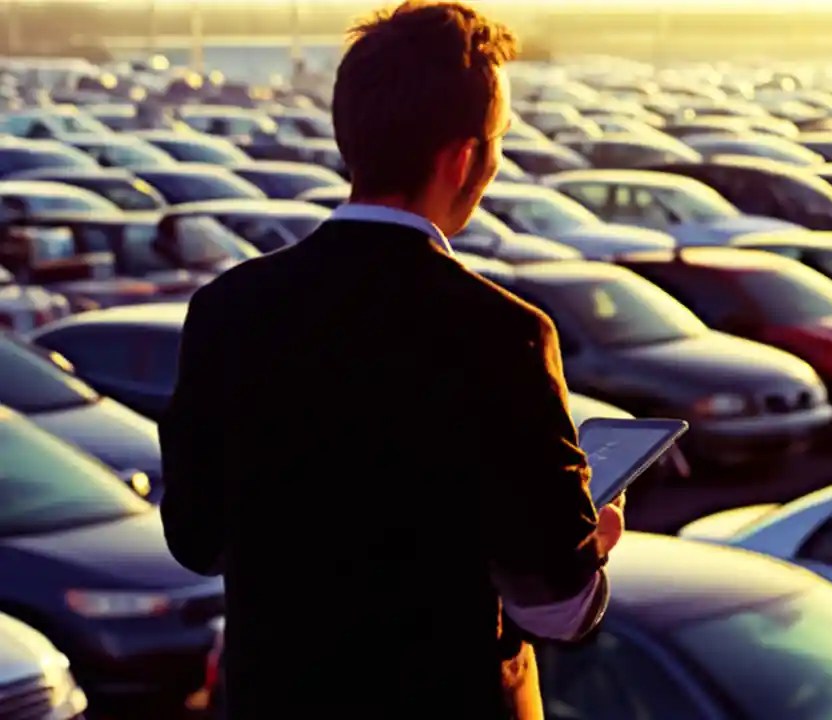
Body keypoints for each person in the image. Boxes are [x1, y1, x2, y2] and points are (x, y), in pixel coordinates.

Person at [158, 3, 623, 718]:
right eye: (497, 140)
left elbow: (195, 541)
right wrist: (595, 539)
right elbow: (558, 607)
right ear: (463, 158)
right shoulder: (505, 335)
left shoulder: (228, 309)